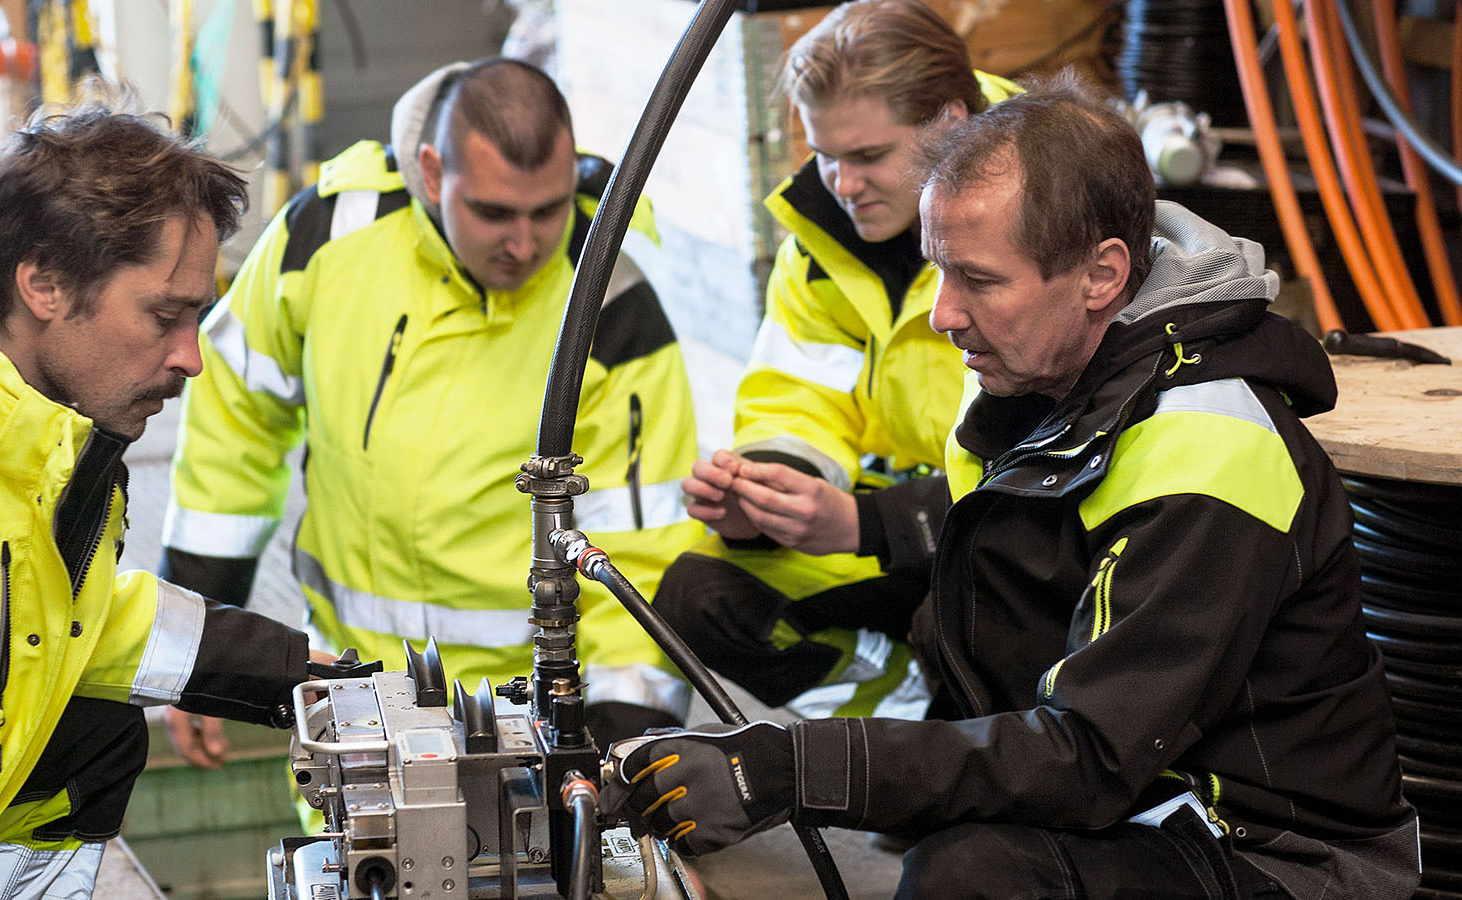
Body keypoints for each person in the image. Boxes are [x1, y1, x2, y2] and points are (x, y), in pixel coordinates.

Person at [605, 75, 1420, 900]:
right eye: (938, 274)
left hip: (1257, 842)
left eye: (980, 281)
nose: (943, 315)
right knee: (705, 594)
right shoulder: (1031, 364)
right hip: (1121, 778)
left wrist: (796, 768)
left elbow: (1090, 757)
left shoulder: (1209, 452)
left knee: (971, 877)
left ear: (1102, 275)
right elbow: (992, 533)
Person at [159, 57, 702, 763]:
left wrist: (620, 741)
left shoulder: (609, 301)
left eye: (549, 209)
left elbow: (644, 543)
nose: (524, 243)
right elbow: (233, 432)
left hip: (531, 724)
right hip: (351, 707)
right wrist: (196, 652)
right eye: (495, 212)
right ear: (433, 171)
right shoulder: (326, 240)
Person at [0, 98, 314, 899]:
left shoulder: (39, 429)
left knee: (95, 732)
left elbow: (57, 619)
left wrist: (298, 672)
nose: (192, 358)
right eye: (165, 315)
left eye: (200, 317)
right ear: (43, 283)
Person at [653, 0, 1018, 719]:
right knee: (700, 596)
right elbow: (798, 401)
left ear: (951, 125)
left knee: (975, 608)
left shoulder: (1049, 214)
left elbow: (1053, 472)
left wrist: (867, 526)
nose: (840, 185)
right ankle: (913, 738)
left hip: (1018, 542)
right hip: (905, 529)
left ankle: (976, 746)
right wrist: (765, 495)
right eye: (824, 154)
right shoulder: (815, 256)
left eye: (868, 156)